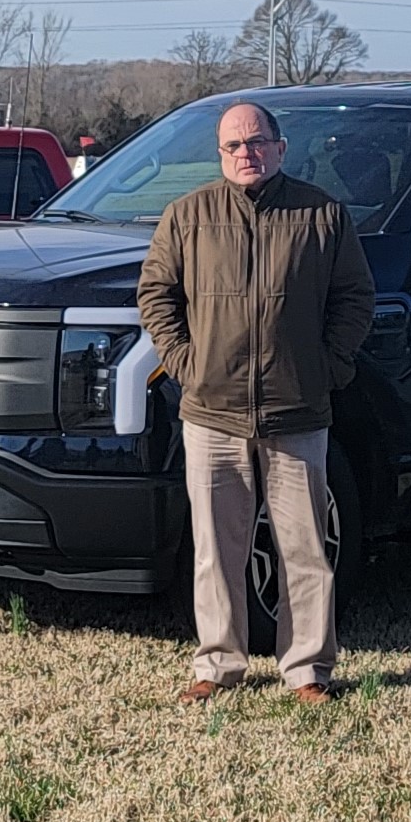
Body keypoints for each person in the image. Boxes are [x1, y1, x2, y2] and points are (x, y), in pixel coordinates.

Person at [137, 101, 373, 706]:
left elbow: (355, 297)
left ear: (280, 147)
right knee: (216, 550)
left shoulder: (321, 215)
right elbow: (156, 295)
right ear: (219, 154)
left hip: (297, 411)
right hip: (211, 412)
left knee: (306, 548)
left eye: (257, 142)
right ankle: (217, 664)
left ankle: (308, 670)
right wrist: (186, 364)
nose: (247, 153)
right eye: (234, 146)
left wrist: (327, 367)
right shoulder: (187, 216)